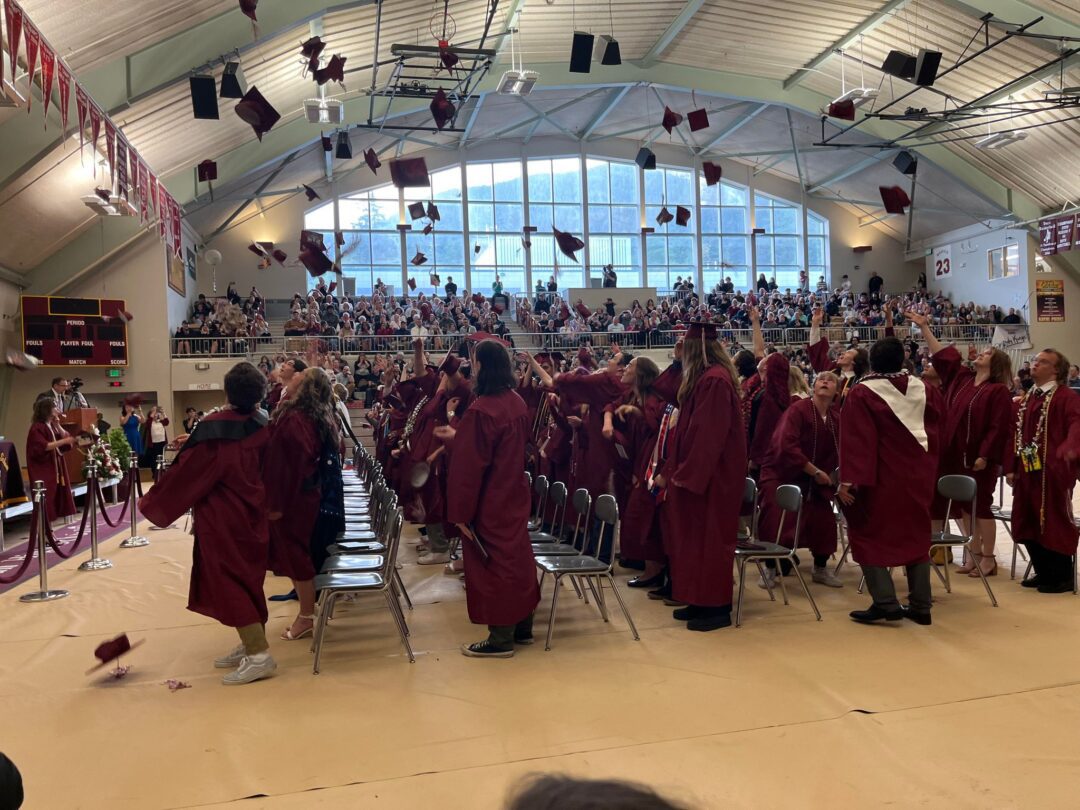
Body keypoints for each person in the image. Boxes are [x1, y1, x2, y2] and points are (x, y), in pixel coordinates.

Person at [138, 362, 276, 686]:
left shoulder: (215, 429)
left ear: (227, 392)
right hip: (255, 514)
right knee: (249, 579)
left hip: (224, 518)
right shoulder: (263, 423)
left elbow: (188, 473)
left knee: (229, 580)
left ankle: (259, 654)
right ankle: (250, 641)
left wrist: (152, 501)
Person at [444, 339, 540, 657]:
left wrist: (459, 513)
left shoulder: (481, 410)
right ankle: (523, 626)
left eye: (475, 361)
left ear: (483, 365)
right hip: (514, 492)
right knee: (518, 559)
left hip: (490, 500)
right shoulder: (514, 401)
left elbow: (470, 468)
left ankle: (501, 638)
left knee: (494, 565)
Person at [839, 337, 944, 626]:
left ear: (872, 362)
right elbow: (938, 430)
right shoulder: (926, 389)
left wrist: (848, 480)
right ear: (903, 360)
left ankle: (885, 602)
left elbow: (858, 442)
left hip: (882, 480)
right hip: (920, 477)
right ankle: (921, 605)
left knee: (865, 533)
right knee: (916, 535)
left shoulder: (863, 393)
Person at [653, 322, 747, 632]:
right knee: (694, 542)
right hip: (697, 474)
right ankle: (697, 600)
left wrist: (687, 476)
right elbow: (664, 390)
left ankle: (716, 608)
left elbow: (708, 435)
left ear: (698, 350)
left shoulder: (715, 382)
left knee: (710, 542)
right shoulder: (701, 380)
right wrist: (678, 361)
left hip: (712, 478)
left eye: (685, 348)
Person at [909, 311, 1013, 577]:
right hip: (954, 454)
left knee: (980, 506)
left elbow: (998, 426)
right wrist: (925, 328)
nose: (981, 353)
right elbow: (945, 357)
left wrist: (986, 455)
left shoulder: (997, 390)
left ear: (996, 363)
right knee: (964, 507)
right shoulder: (963, 379)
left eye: (987, 353)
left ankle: (988, 557)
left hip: (979, 459)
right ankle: (973, 553)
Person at [265, 369, 338, 640]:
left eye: (302, 374)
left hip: (293, 497)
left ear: (306, 385)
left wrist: (276, 501)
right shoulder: (298, 414)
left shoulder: (298, 419)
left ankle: (306, 616)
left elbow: (290, 466)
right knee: (292, 555)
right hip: (295, 494)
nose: (295, 374)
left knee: (297, 556)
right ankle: (307, 612)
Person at [758, 371, 843, 588]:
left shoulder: (836, 419)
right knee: (777, 518)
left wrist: (837, 476)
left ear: (837, 390)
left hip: (813, 480)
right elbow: (785, 446)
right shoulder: (798, 409)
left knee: (823, 519)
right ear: (813, 387)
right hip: (782, 474)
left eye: (831, 380)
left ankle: (821, 568)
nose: (825, 381)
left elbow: (843, 451)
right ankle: (770, 568)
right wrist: (814, 471)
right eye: (821, 379)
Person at [1006, 349, 1080, 593]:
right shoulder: (1029, 397)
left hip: (1053, 470)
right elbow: (1017, 434)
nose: (1035, 364)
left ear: (1056, 370)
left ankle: (1062, 576)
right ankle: (1044, 571)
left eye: (1043, 361)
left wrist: (1069, 448)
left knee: (1052, 519)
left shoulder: (1066, 396)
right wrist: (1013, 467)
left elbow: (1076, 424)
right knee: (1026, 518)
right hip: (1029, 468)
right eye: (1035, 360)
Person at [26, 398, 78, 522]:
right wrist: (64, 441)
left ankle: (50, 534)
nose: (58, 410)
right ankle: (45, 534)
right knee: (46, 501)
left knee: (54, 499)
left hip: (56, 468)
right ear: (47, 410)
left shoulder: (51, 425)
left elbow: (65, 441)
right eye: (55, 407)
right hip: (44, 469)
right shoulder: (37, 427)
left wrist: (57, 425)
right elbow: (43, 446)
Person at [141, 405, 171, 478]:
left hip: (162, 442)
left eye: (157, 413)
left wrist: (163, 413)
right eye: (154, 413)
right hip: (153, 443)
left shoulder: (161, 421)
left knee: (161, 458)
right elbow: (148, 422)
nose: (156, 414)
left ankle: (161, 473)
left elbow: (167, 422)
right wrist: (154, 411)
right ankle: (155, 474)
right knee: (154, 459)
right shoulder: (150, 422)